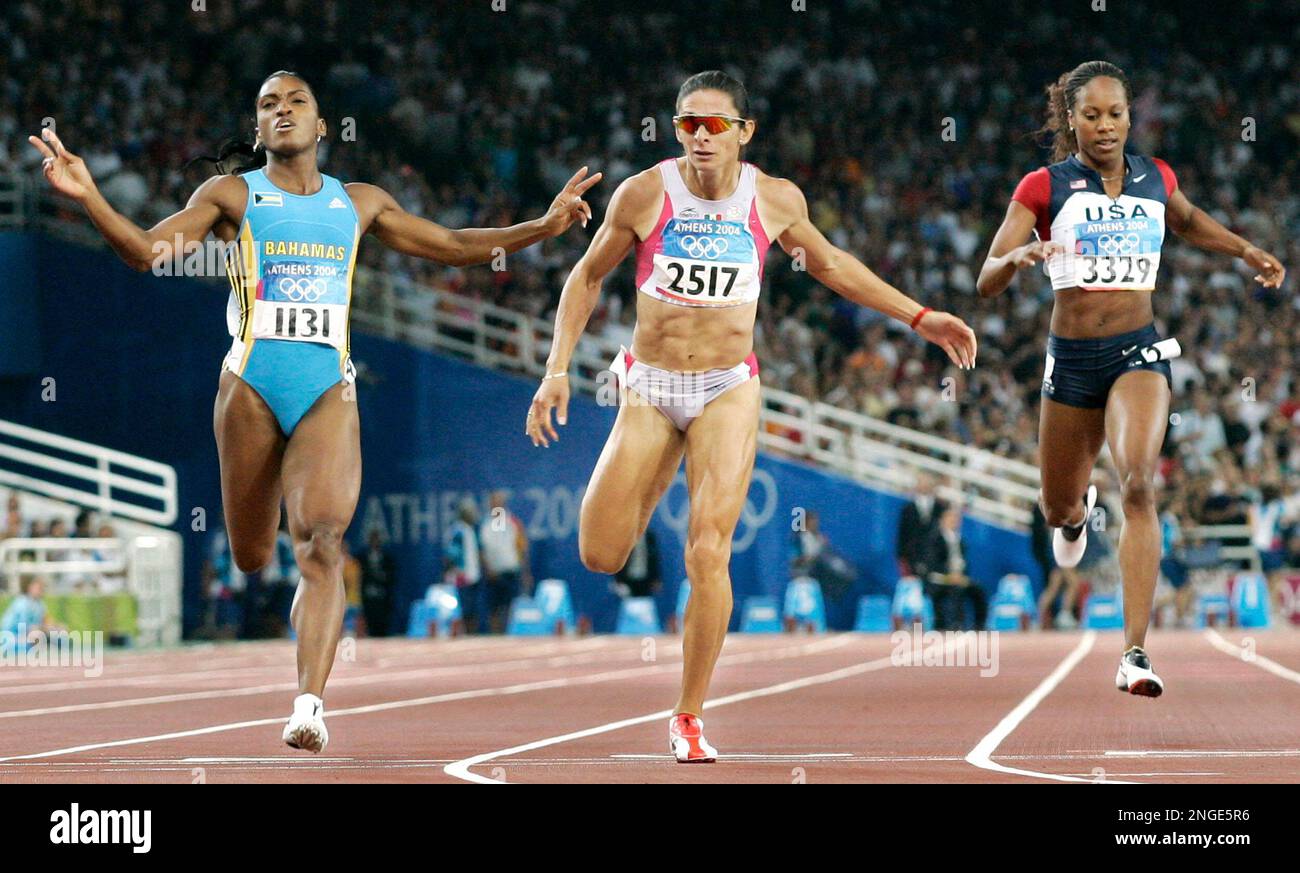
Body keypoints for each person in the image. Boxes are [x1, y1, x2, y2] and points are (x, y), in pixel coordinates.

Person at [29, 70, 599, 752]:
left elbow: (451, 244)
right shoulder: (231, 194)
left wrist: (543, 224)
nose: (283, 110)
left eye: (297, 101)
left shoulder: (358, 203)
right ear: (259, 128)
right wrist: (88, 193)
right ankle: (297, 592)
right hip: (248, 388)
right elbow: (147, 252)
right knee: (250, 555)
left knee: (324, 543)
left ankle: (309, 705)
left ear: (322, 126)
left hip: (328, 384)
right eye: (268, 103)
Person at [526, 70, 977, 762]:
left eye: (715, 125)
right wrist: (556, 370)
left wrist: (919, 316)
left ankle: (688, 715)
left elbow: (834, 266)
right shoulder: (645, 193)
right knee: (601, 551)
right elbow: (585, 277)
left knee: (708, 547)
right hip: (648, 382)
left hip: (727, 388)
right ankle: (649, 468)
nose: (701, 137)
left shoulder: (772, 198)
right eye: (688, 124)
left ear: (744, 132)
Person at [977, 60, 1286, 697]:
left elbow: (1191, 221)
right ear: (1072, 119)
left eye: (1116, 113)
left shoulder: (1155, 176)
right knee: (1058, 504)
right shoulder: (1043, 186)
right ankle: (1072, 519)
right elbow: (987, 279)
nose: (1106, 125)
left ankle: (1135, 653)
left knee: (1140, 483)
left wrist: (1245, 250)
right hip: (1072, 360)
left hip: (1138, 354)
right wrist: (1018, 254)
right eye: (1091, 115)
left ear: (1129, 115)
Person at [915, 505, 987, 630]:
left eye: (957, 519)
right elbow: (932, 563)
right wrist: (950, 575)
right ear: (943, 520)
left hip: (958, 577)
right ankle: (955, 624)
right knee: (956, 589)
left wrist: (961, 576)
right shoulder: (934, 538)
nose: (954, 522)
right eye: (951, 518)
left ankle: (979, 625)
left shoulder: (960, 540)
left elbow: (964, 563)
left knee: (978, 589)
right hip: (938, 579)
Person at [478, 491, 531, 634]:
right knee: (494, 607)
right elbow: (482, 550)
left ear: (503, 504)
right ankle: (496, 636)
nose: (495, 505)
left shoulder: (513, 523)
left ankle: (508, 635)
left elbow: (521, 549)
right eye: (493, 503)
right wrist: (488, 569)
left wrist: (525, 572)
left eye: (498, 503)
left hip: (510, 571)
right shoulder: (485, 525)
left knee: (510, 606)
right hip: (493, 573)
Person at [896, 473, 947, 578]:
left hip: (934, 559)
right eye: (921, 483)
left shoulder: (940, 509)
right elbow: (903, 533)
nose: (924, 486)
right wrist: (901, 557)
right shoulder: (908, 509)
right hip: (911, 556)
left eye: (927, 484)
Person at [444, 498, 483, 633]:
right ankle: (463, 634)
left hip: (472, 576)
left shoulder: (469, 530)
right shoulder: (458, 530)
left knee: (472, 609)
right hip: (462, 577)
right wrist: (455, 571)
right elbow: (451, 554)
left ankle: (470, 634)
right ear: (465, 513)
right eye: (471, 512)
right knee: (463, 609)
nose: (474, 514)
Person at [359, 529, 396, 638]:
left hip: (382, 597)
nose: (375, 541)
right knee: (369, 623)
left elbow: (391, 576)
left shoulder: (387, 557)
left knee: (382, 625)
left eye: (377, 539)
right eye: (373, 539)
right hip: (367, 597)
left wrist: (380, 577)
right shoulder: (362, 557)